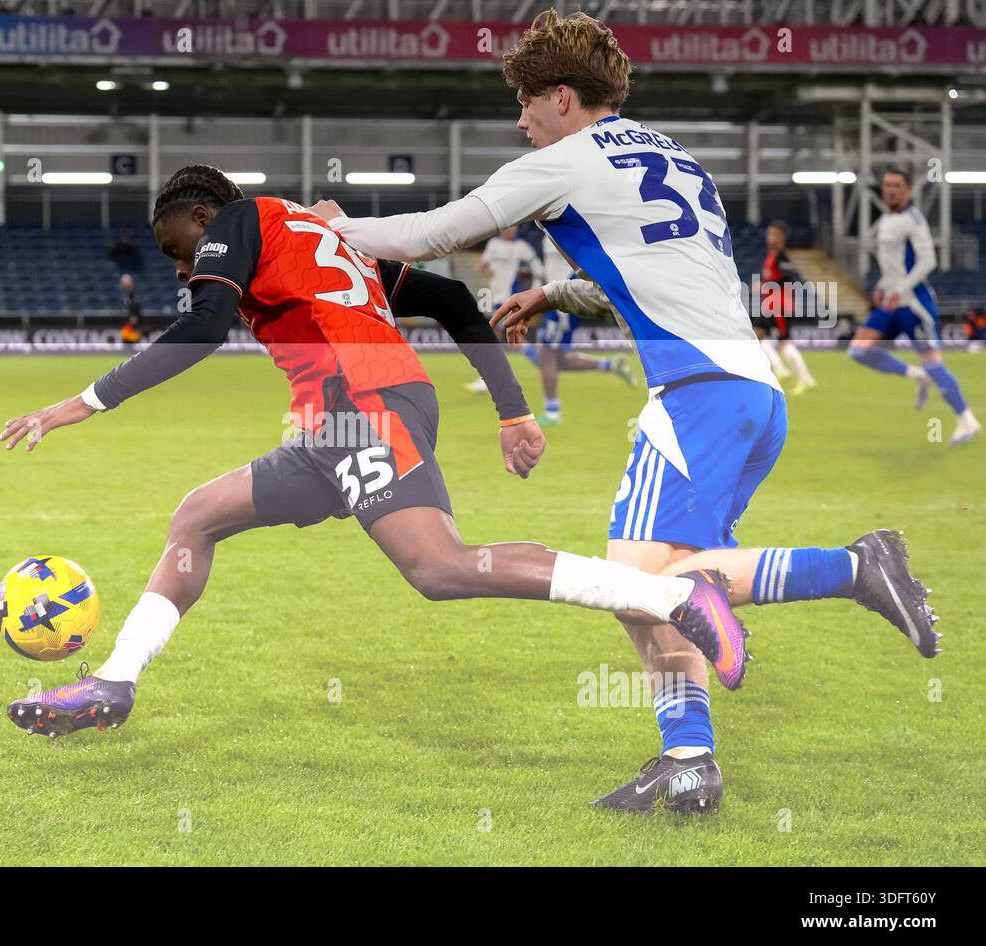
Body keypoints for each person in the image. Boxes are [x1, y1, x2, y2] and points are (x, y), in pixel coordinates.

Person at [310, 9, 939, 812]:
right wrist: (556, 290)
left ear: (563, 97)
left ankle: (857, 566)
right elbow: (670, 268)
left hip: (696, 393)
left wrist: (339, 228)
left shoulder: (564, 158)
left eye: (528, 102)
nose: (522, 118)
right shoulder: (672, 154)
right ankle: (689, 762)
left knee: (643, 585)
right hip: (751, 394)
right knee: (640, 587)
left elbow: (438, 233)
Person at [0, 166, 749, 804]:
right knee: (198, 516)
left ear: (203, 216)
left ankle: (675, 599)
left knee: (440, 568)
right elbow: (454, 301)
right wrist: (512, 409)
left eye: (178, 249)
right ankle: (116, 685)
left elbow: (204, 327)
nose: (180, 268)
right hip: (332, 424)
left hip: (362, 408)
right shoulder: (315, 240)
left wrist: (85, 401)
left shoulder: (236, 219)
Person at [848, 168, 979, 445]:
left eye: (897, 185)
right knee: (858, 350)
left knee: (933, 363)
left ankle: (967, 420)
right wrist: (884, 285)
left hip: (915, 303)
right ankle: (916, 376)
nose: (891, 190)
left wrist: (901, 288)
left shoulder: (913, 220)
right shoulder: (884, 221)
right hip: (892, 302)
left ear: (908, 190)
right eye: (887, 185)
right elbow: (892, 266)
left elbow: (928, 261)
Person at [521, 234, 636, 425]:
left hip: (561, 302)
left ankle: (552, 412)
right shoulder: (549, 228)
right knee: (558, 361)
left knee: (547, 355)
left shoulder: (563, 226)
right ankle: (610, 365)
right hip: (555, 299)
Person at [463, 225, 541, 393]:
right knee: (504, 337)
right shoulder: (493, 244)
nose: (510, 231)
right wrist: (486, 270)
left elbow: (537, 268)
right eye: (507, 228)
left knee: (494, 335)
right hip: (493, 296)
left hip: (508, 299)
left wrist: (533, 287)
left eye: (513, 228)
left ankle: (489, 377)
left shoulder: (521, 247)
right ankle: (537, 357)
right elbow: (483, 266)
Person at [751, 220, 816, 396]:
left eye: (773, 234)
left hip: (779, 306)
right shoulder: (772, 256)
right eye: (768, 234)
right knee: (759, 336)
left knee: (782, 342)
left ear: (781, 238)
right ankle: (793, 374)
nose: (769, 237)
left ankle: (793, 374)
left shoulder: (782, 257)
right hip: (772, 305)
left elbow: (786, 279)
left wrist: (766, 285)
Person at [119, 273, 144, 343]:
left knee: (133, 349)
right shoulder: (123, 294)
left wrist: (132, 325)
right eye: (123, 282)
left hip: (133, 329)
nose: (125, 284)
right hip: (125, 327)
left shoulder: (134, 295)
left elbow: (135, 315)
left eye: (127, 282)